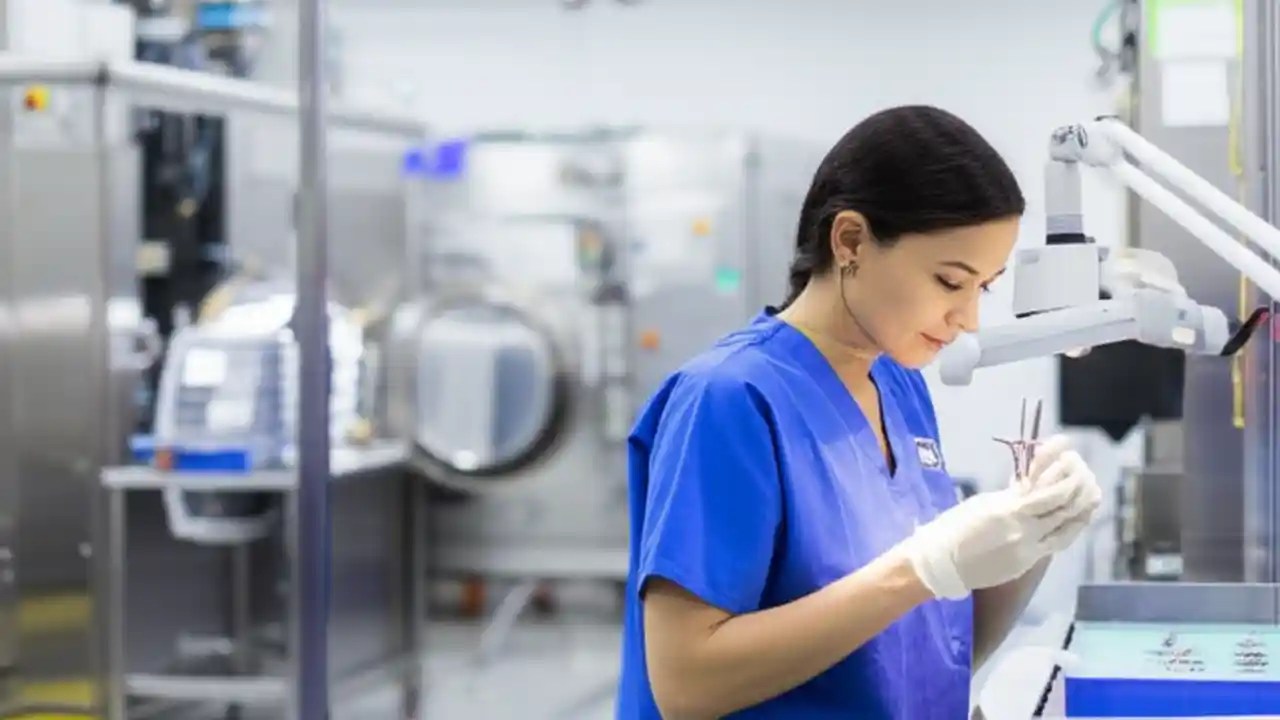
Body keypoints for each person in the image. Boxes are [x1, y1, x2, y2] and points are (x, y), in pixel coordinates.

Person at [615, 105, 1104, 720]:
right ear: (850, 240)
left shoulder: (897, 385)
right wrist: (922, 567)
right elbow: (686, 685)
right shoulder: (730, 400)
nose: (969, 320)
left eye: (984, 287)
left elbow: (929, 657)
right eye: (950, 281)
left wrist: (1032, 537)